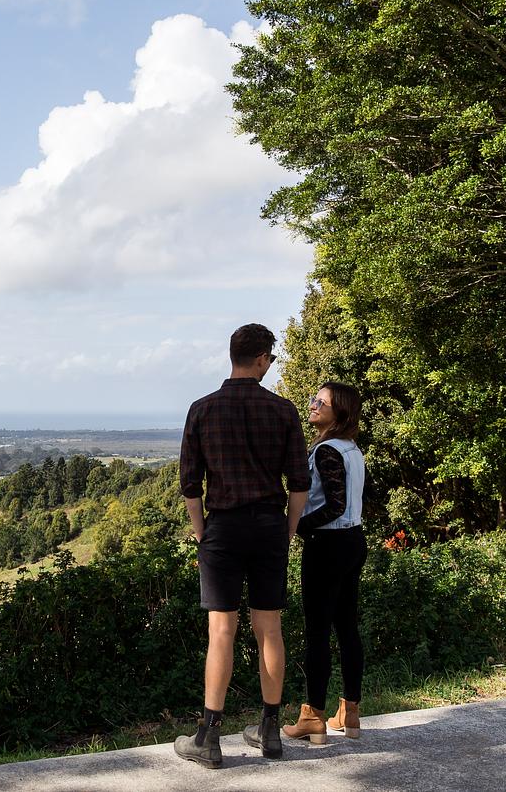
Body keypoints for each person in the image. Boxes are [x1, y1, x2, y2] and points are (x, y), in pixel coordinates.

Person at [173, 324, 310, 767]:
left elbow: (190, 484)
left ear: (232, 355)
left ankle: (209, 738)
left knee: (221, 631)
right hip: (269, 525)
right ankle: (270, 731)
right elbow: (299, 482)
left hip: (223, 529)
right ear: (262, 359)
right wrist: (286, 530)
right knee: (269, 627)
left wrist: (201, 532)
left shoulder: (202, 409)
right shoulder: (283, 410)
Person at [281, 381, 367, 745]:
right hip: (353, 540)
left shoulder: (327, 451)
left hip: (327, 544)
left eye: (322, 402)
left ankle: (313, 716)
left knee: (317, 632)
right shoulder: (352, 449)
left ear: (339, 413)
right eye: (315, 398)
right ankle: (350, 713)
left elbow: (332, 505)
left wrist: (293, 526)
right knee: (347, 626)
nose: (313, 404)